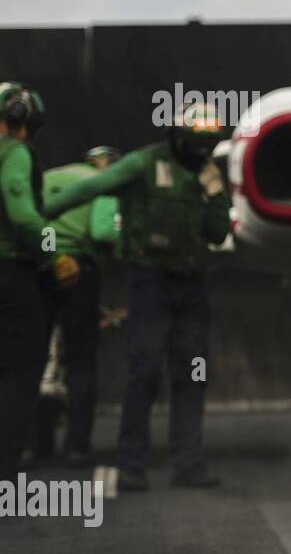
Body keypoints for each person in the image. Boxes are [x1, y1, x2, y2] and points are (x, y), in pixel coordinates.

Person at [44, 103, 232, 490]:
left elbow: (216, 234)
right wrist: (41, 211)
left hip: (192, 284)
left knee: (192, 373)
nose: (201, 152)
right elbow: (90, 187)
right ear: (178, 137)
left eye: (208, 145)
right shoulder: (143, 165)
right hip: (151, 282)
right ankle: (132, 465)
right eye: (196, 143)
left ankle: (189, 463)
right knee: (144, 371)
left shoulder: (207, 176)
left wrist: (216, 194)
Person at [0, 83, 79, 481]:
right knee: (18, 374)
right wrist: (55, 254)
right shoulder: (14, 153)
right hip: (12, 276)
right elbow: (25, 218)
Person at [35, 146, 122, 466]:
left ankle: (33, 445)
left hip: (38, 268)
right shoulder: (104, 185)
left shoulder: (48, 177)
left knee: (32, 358)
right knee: (81, 360)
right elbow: (102, 231)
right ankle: (77, 446)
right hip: (77, 273)